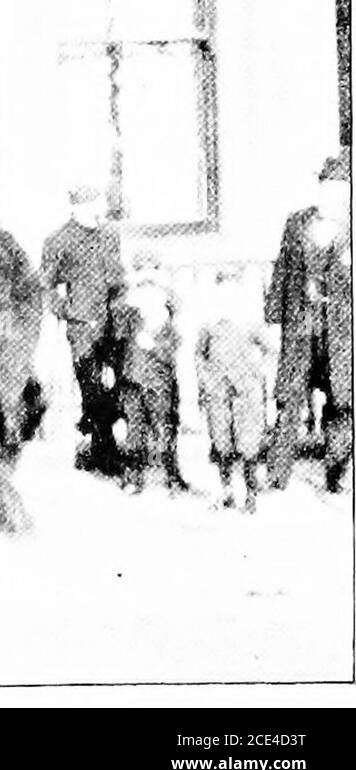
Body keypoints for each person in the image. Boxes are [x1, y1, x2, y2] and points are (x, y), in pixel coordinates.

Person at [265, 148, 353, 494]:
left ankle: (335, 472)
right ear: (319, 189)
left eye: (341, 187)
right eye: (327, 186)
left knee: (343, 401)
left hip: (343, 331)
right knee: (289, 400)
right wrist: (273, 321)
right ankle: (277, 475)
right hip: (300, 326)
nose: (332, 194)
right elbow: (282, 272)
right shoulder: (296, 223)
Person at [42, 184, 128, 477]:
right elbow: (45, 287)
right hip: (83, 328)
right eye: (93, 203)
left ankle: (92, 439)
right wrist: (68, 311)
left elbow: (118, 279)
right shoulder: (59, 240)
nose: (98, 208)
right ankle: (105, 453)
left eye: (99, 202)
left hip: (113, 324)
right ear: (76, 207)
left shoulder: (109, 236)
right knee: (91, 386)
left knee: (119, 385)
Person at [195, 266, 273, 513]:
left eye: (231, 284)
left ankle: (250, 496)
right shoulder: (209, 324)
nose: (226, 291)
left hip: (245, 392)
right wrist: (205, 380)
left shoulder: (250, 320)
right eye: (222, 284)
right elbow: (199, 353)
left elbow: (270, 350)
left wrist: (257, 373)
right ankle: (226, 492)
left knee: (248, 443)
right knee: (221, 441)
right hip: (217, 390)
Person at [114, 250, 190, 495]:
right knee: (135, 429)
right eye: (142, 271)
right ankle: (133, 477)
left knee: (165, 427)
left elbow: (176, 336)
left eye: (152, 271)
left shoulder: (166, 304)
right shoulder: (126, 306)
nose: (147, 278)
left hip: (160, 376)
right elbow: (116, 332)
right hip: (134, 376)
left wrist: (155, 346)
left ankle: (172, 477)